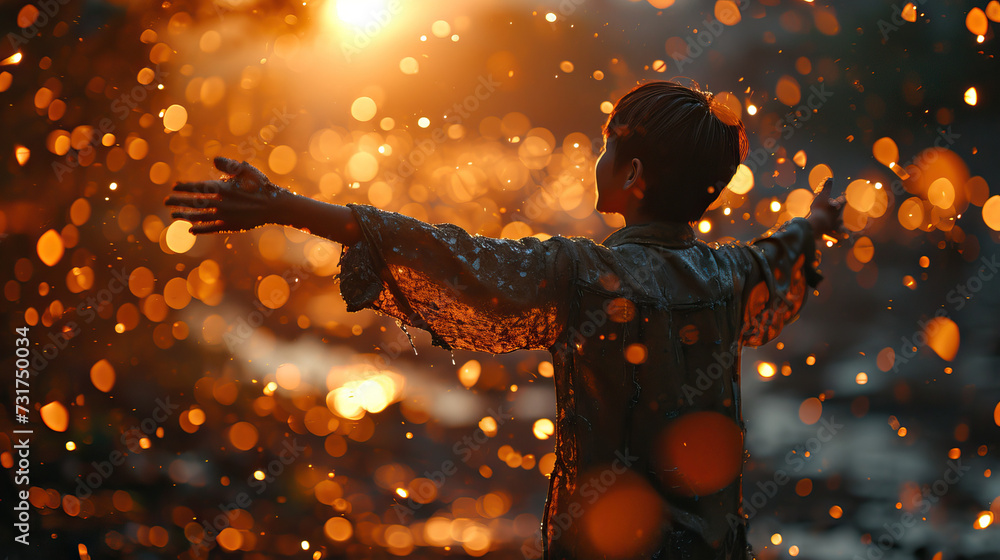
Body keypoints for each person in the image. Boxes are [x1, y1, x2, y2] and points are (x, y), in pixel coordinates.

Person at [165, 81, 843, 560]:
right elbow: (779, 252)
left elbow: (440, 251)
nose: (596, 158)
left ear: (633, 175)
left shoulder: (585, 274)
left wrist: (284, 206)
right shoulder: (728, 276)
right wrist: (816, 222)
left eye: (608, 148)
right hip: (713, 545)